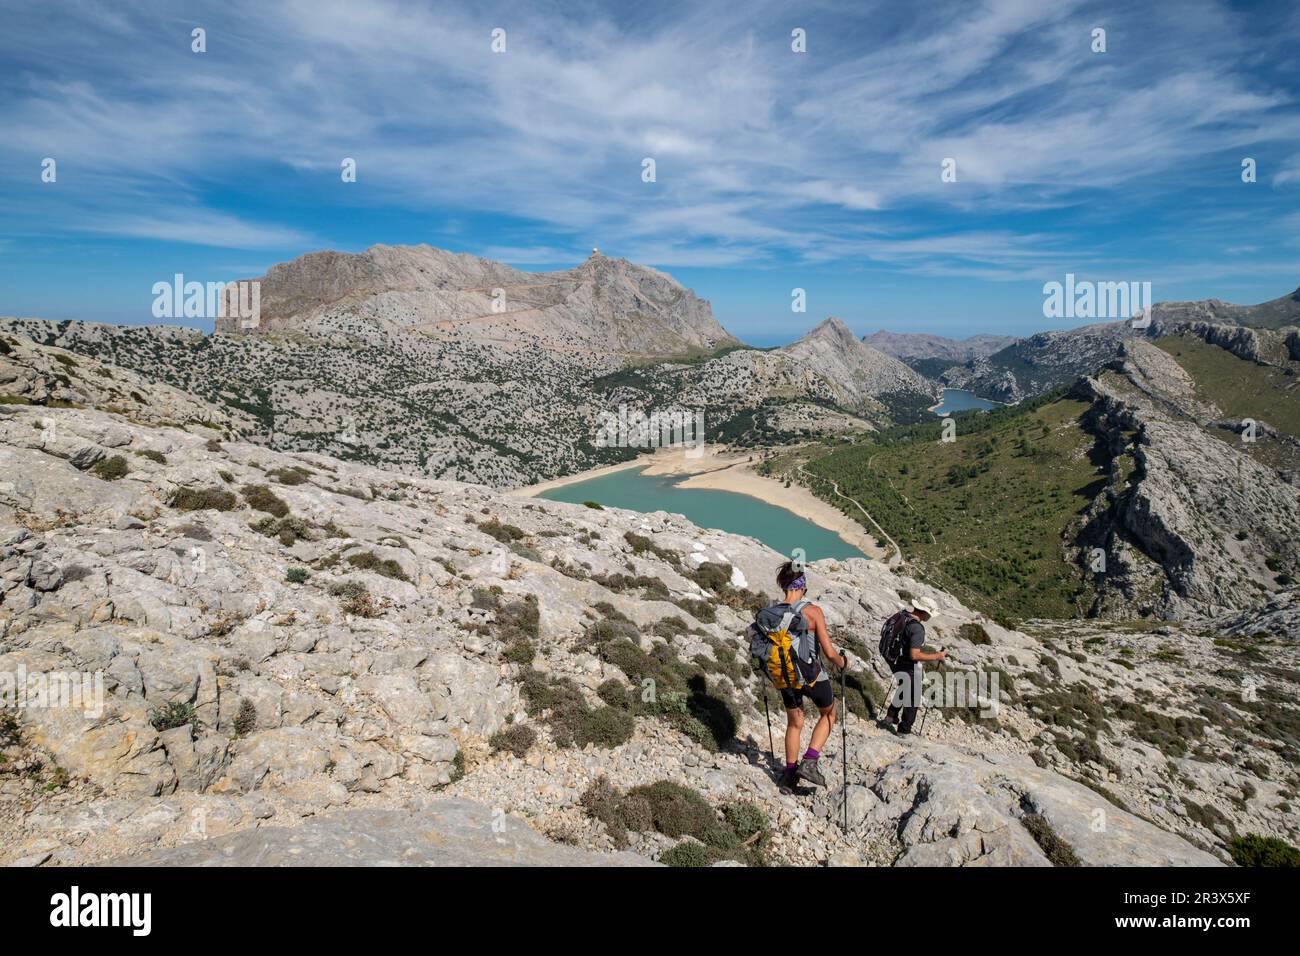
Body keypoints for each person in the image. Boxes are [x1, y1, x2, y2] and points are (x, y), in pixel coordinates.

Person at [754, 561, 847, 790]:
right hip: (812, 675)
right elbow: (829, 652)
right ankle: (811, 760)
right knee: (829, 715)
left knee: (794, 724)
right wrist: (842, 662)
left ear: (784, 586)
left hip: (784, 677)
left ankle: (790, 774)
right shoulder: (813, 612)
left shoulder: (771, 614)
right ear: (802, 586)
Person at [882, 596, 945, 736]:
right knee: (913, 697)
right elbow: (915, 655)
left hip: (893, 660)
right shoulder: (917, 628)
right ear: (924, 612)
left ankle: (890, 717)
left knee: (904, 687)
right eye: (930, 613)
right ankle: (904, 731)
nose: (930, 616)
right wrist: (937, 656)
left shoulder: (902, 616)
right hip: (906, 664)